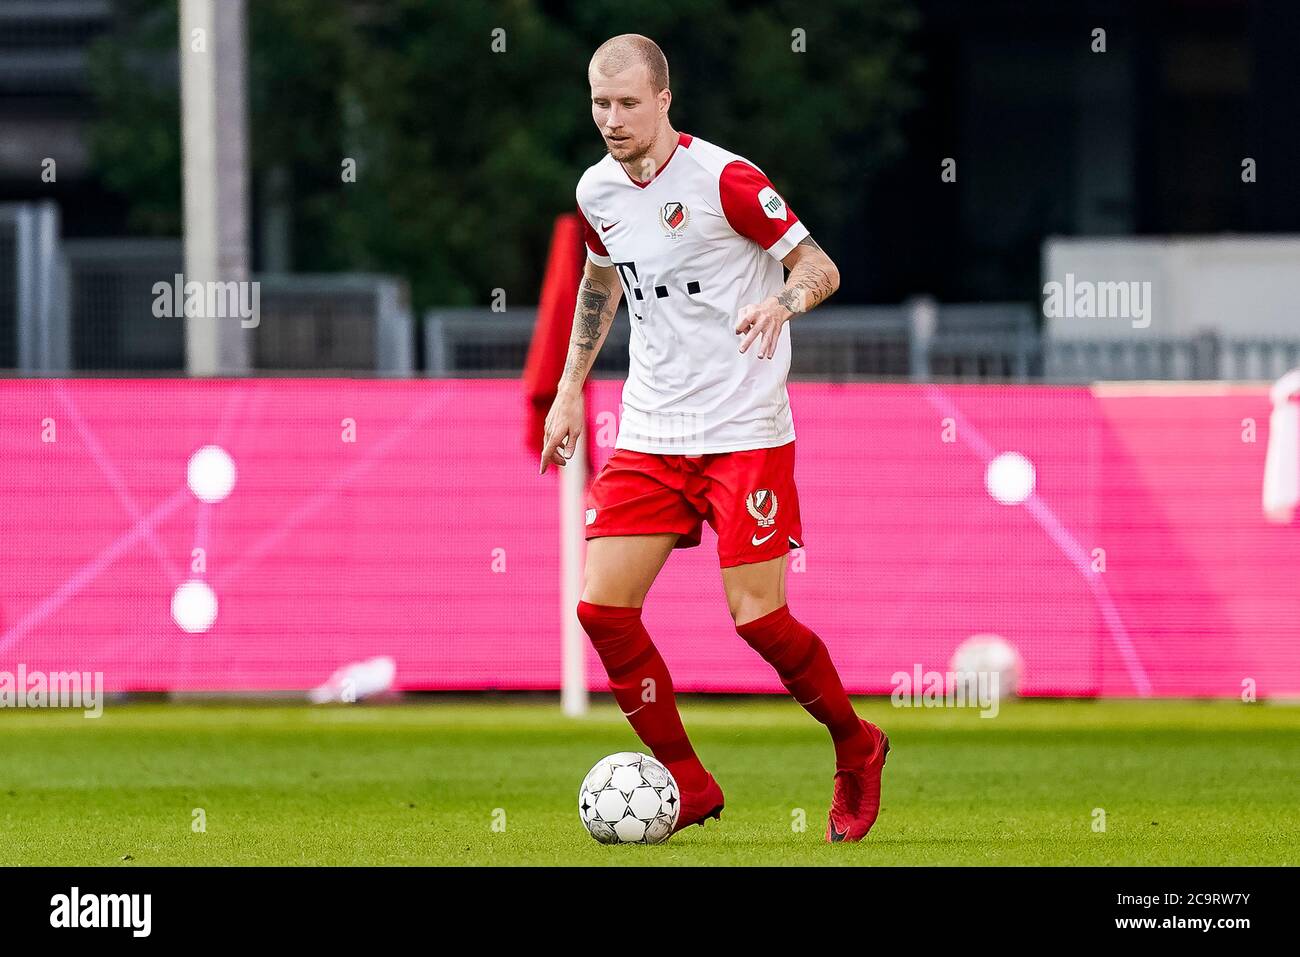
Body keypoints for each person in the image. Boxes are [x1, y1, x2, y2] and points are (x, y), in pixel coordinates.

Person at [540, 34, 888, 843]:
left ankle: (856, 743)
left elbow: (820, 267)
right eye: (600, 104)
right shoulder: (597, 191)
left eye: (629, 103)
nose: (613, 119)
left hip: (743, 428)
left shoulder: (726, 181)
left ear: (664, 100)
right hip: (654, 428)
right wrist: (567, 394)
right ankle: (690, 784)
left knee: (759, 619)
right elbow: (601, 284)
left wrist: (784, 303)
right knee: (602, 609)